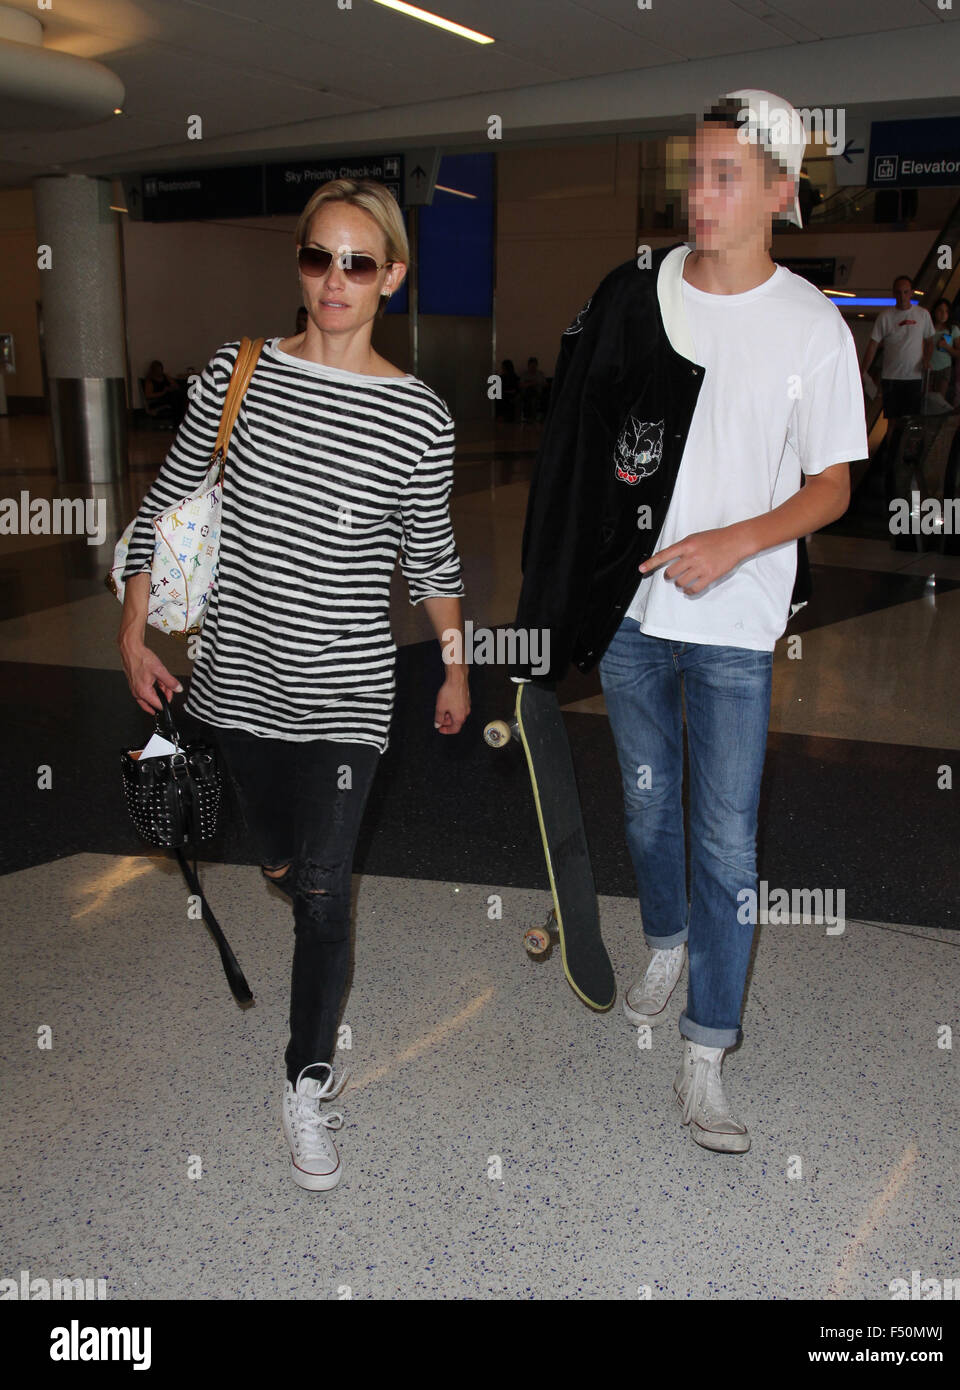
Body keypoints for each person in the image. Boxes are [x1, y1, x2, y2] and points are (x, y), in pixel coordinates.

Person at [513, 89, 867, 1154]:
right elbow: (582, 446)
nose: (699, 195)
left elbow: (833, 487)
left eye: (725, 176)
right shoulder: (637, 292)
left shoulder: (812, 326)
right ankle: (663, 938)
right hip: (633, 609)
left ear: (779, 192)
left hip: (735, 618)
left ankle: (708, 1050)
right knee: (647, 805)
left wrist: (733, 542)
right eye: (693, 171)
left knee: (725, 837)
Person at [117, 178, 470, 1192]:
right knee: (280, 858)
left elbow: (432, 553)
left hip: (352, 700)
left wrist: (454, 659)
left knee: (325, 894)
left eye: (358, 263)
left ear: (392, 276)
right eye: (318, 257)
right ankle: (287, 860)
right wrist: (133, 629)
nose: (334, 280)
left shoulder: (419, 415)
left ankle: (303, 1081)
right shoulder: (238, 373)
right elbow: (168, 503)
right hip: (237, 692)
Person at [861, 276, 934, 475]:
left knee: (911, 419)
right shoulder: (885, 317)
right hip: (892, 377)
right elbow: (873, 345)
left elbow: (930, 340)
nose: (902, 296)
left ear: (911, 293)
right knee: (892, 420)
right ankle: (893, 456)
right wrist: (862, 370)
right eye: (898, 292)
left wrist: (927, 358)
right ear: (894, 294)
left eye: (905, 292)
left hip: (914, 377)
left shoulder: (922, 315)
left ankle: (909, 455)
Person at [928, 298, 959, 402]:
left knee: (940, 399)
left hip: (944, 367)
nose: (943, 314)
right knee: (927, 398)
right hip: (928, 367)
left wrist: (947, 347)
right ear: (934, 311)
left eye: (946, 311)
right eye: (940, 310)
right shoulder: (928, 328)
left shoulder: (953, 329)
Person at [519, 356, 546, 423]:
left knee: (535, 395)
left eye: (534, 365)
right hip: (526, 393)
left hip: (538, 393)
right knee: (529, 391)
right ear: (528, 366)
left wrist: (538, 383)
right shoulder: (524, 374)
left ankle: (532, 416)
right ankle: (528, 416)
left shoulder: (540, 374)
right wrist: (531, 383)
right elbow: (521, 385)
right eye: (531, 365)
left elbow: (545, 384)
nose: (533, 367)